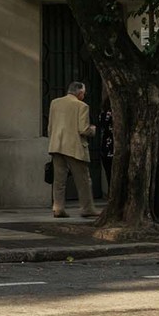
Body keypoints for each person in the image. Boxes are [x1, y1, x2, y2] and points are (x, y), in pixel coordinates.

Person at [47, 81, 96, 220]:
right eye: (84, 93)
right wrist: (93, 130)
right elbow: (83, 129)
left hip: (57, 145)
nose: (84, 95)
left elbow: (50, 126)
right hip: (74, 147)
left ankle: (58, 208)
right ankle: (87, 208)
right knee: (83, 180)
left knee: (59, 180)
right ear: (80, 93)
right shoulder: (82, 106)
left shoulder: (55, 103)